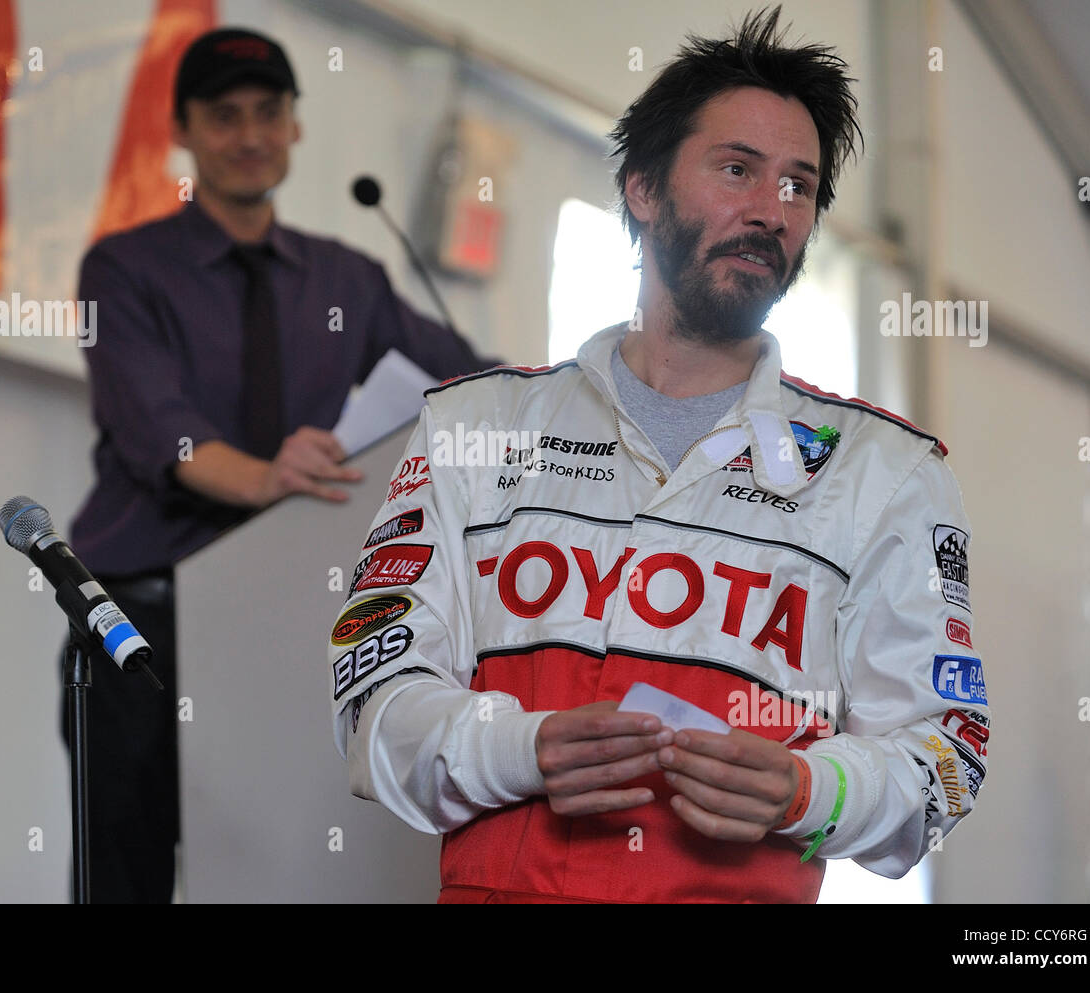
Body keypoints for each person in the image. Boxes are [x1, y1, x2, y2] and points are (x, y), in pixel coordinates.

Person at [327, 7, 989, 903]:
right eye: (737, 169)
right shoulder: (469, 428)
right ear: (642, 187)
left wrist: (812, 788)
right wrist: (519, 747)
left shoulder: (887, 472)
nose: (771, 210)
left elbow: (947, 756)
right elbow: (374, 701)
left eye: (800, 186)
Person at [63, 26, 498, 903]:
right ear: (183, 129)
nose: (251, 133)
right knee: (124, 872)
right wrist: (265, 476)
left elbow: (479, 387)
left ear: (296, 126)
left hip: (291, 622)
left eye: (270, 112)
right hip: (140, 627)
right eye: (224, 116)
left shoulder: (350, 279)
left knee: (277, 860)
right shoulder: (126, 267)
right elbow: (159, 434)